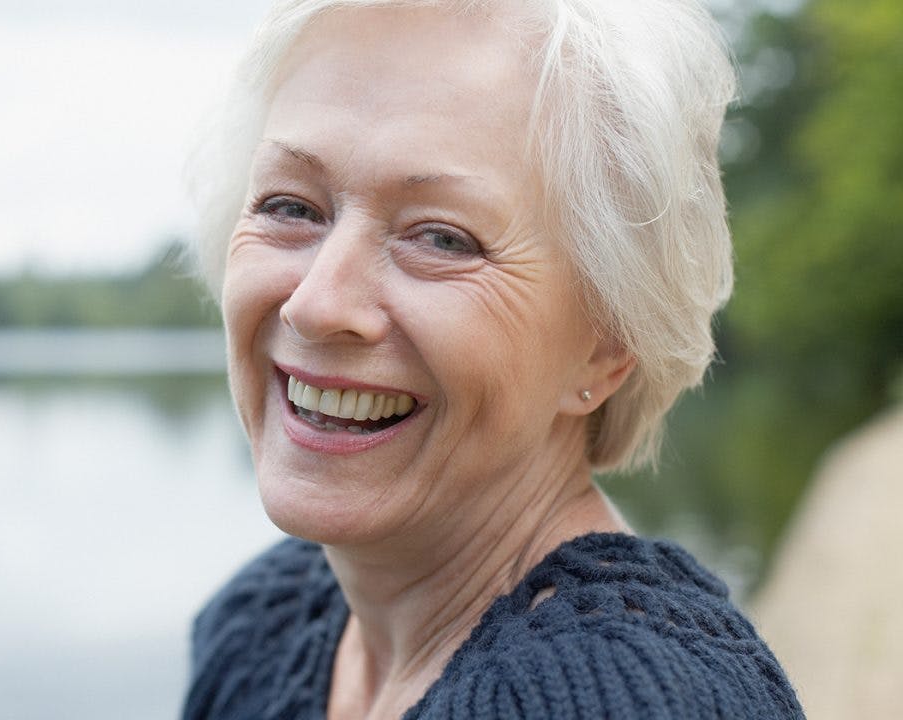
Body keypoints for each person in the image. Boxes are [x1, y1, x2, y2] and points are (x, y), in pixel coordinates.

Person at [182, 0, 803, 718]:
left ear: (606, 346)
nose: (317, 305)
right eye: (291, 207)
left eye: (443, 238)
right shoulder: (260, 625)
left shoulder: (626, 700)